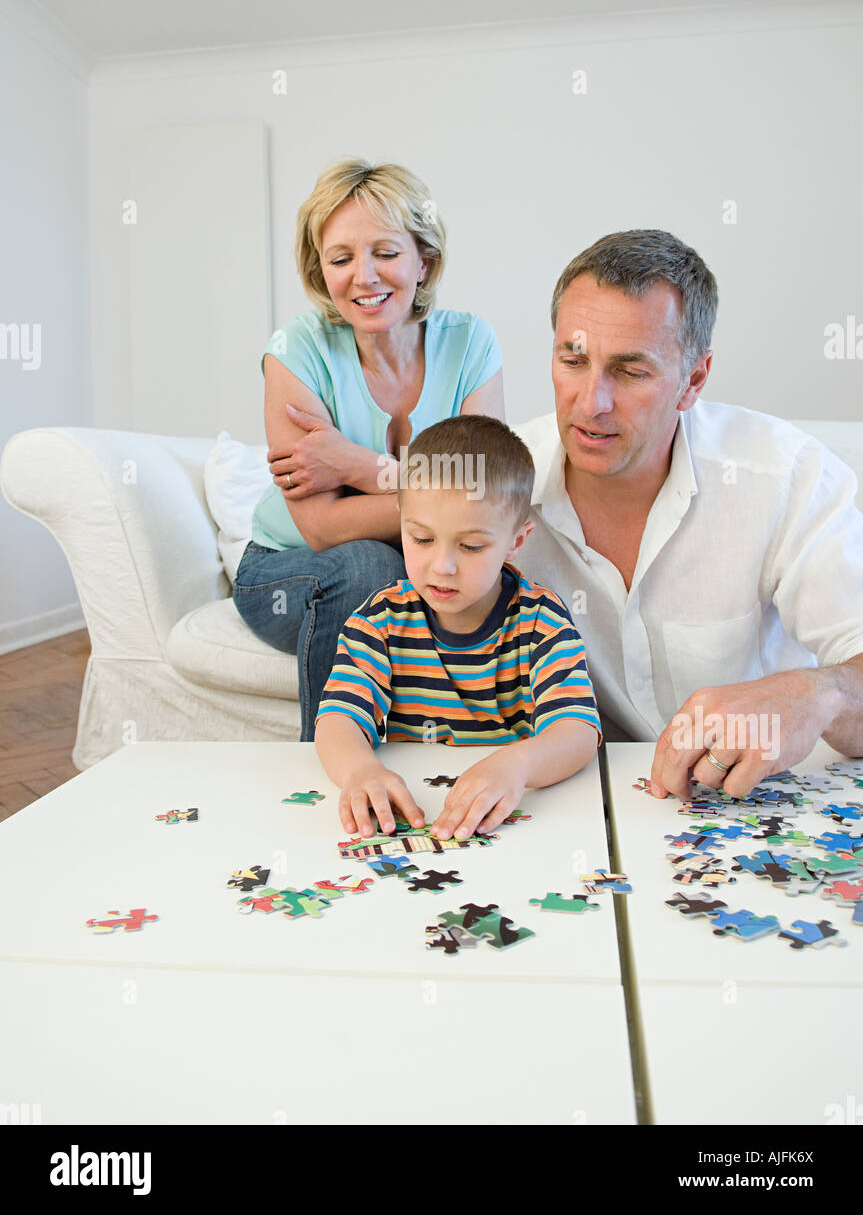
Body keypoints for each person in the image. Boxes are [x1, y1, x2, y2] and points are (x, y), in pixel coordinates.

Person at [516, 229, 863, 800]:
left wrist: (818, 694)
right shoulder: (496, 490)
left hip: (752, 809)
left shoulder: (786, 476)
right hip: (569, 806)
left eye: (631, 372)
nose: (591, 402)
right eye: (573, 360)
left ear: (693, 380)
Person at [233, 159, 505, 741]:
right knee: (371, 566)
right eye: (341, 259)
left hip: (425, 559)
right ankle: (332, 769)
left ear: (422, 260)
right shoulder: (295, 350)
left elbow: (488, 496)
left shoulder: (471, 341)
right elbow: (325, 528)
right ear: (321, 270)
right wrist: (443, 492)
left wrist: (357, 465)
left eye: (385, 252)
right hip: (283, 568)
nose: (364, 276)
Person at [314, 415, 602, 842]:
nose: (442, 566)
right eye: (422, 539)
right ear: (402, 519)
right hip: (420, 816)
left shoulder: (541, 620)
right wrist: (361, 769)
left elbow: (577, 730)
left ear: (516, 541)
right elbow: (338, 718)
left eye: (470, 546)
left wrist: (516, 765)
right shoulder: (381, 620)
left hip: (514, 820)